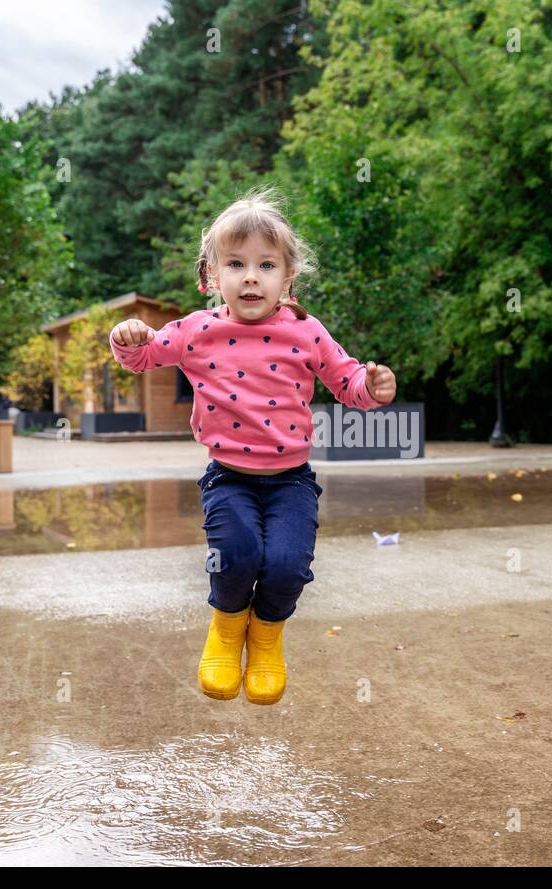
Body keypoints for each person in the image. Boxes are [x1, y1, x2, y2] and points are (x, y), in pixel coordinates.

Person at [109, 185, 397, 704]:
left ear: (287, 277)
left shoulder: (306, 331)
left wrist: (372, 389)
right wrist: (128, 337)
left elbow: (346, 381)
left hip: (291, 481)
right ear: (212, 276)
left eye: (266, 265)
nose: (250, 277)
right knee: (236, 555)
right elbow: (145, 357)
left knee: (287, 564)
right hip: (229, 478)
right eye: (236, 264)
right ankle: (225, 630)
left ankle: (266, 639)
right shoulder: (197, 330)